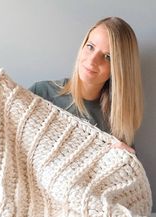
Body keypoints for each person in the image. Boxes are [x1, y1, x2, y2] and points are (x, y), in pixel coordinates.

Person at [29, 17, 143, 153]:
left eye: (108, 57)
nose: (92, 60)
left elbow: (128, 173)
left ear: (119, 70)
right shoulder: (41, 93)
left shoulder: (116, 124)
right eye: (90, 47)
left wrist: (128, 161)